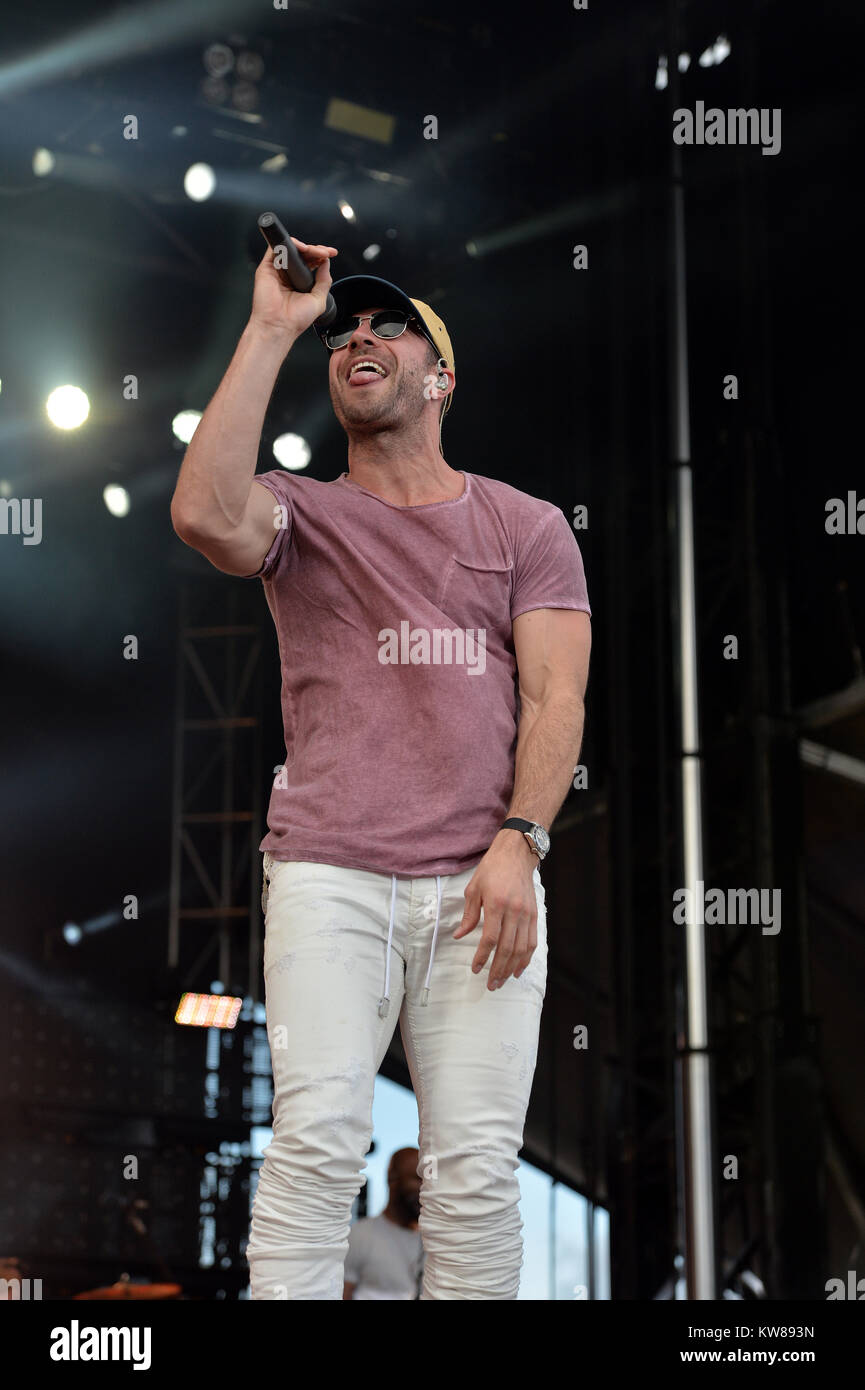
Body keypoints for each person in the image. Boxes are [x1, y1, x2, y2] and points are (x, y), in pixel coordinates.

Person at [170, 233, 592, 1300]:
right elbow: (201, 514)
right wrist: (273, 325)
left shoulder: (526, 526)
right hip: (328, 873)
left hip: (483, 883)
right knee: (316, 1142)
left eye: (389, 326)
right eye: (345, 330)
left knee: (475, 1176)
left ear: (440, 376)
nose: (360, 335)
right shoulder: (303, 514)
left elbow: (555, 700)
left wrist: (520, 842)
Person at [343, 1147, 424, 1300]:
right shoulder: (360, 1235)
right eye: (417, 1179)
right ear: (392, 1179)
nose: (425, 1188)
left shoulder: (435, 1241)